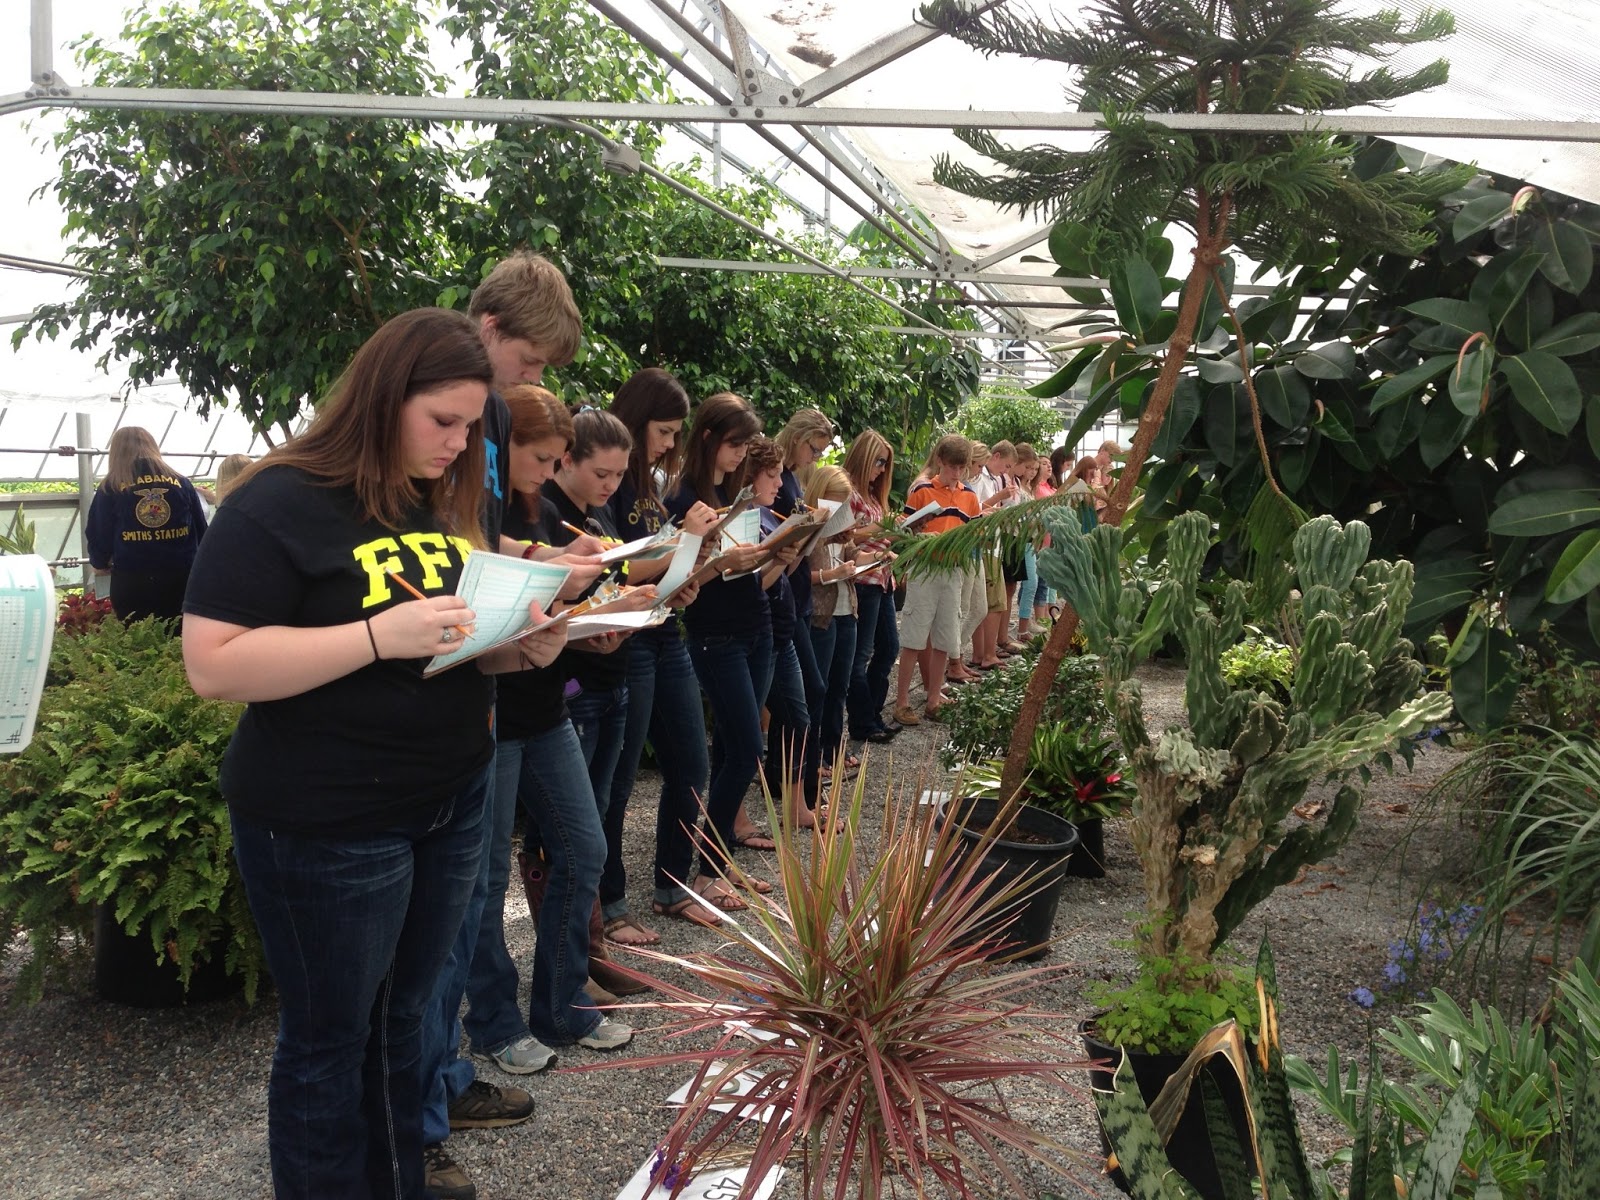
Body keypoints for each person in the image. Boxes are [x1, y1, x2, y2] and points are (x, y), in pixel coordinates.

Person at [180, 308, 569, 1200]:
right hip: (328, 820)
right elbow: (213, 665)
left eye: (472, 425)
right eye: (443, 421)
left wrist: (518, 646)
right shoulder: (276, 500)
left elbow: (441, 638)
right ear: (384, 395)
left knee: (404, 1026)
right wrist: (374, 636)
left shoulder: (431, 494)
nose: (459, 441)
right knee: (329, 1041)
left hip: (449, 798)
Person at [421, 250, 592, 1200]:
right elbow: (437, 542)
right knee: (451, 903)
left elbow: (473, 535)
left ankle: (442, 1083)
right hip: (447, 694)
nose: (533, 383)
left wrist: (534, 556)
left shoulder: (482, 414)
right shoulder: (447, 407)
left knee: (467, 889)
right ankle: (429, 1099)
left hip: (476, 691)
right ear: (490, 332)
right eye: (529, 362)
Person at [478, 386, 634, 1073]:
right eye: (541, 458)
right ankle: (494, 1019)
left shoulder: (539, 511)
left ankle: (564, 1000)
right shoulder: (475, 513)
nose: (548, 472)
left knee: (585, 846)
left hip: (545, 707)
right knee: (483, 881)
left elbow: (556, 609)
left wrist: (600, 621)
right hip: (492, 713)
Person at [605, 368, 722, 935]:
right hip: (629, 640)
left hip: (663, 630)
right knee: (619, 779)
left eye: (677, 433)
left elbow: (651, 563)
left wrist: (685, 576)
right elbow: (611, 567)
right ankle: (609, 908)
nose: (671, 443)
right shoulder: (609, 478)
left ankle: (672, 885)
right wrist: (686, 544)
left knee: (691, 762)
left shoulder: (649, 480)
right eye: (664, 430)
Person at [542, 408, 654, 948]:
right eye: (602, 474)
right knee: (574, 829)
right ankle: (584, 945)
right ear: (567, 459)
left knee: (607, 804)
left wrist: (638, 611)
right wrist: (606, 619)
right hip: (574, 686)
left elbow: (607, 591)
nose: (611, 486)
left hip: (612, 673)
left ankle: (600, 926)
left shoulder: (595, 512)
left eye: (618, 475)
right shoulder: (549, 514)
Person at [664, 393, 774, 911]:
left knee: (735, 746)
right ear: (707, 438)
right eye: (735, 445)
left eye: (746, 446)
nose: (740, 455)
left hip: (751, 622)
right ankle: (704, 869)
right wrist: (721, 560)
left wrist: (767, 552)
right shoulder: (683, 498)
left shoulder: (729, 490)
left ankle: (717, 863)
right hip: (713, 634)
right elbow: (679, 580)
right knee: (746, 748)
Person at [745, 436, 813, 828]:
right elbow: (753, 586)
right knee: (746, 732)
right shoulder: (746, 521)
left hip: (781, 630)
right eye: (771, 476)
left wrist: (797, 547)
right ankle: (736, 817)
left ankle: (794, 807)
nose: (779, 484)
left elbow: (781, 575)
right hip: (762, 631)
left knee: (797, 718)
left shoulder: (770, 515)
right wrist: (782, 557)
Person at [893, 435, 979, 725]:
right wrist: (920, 533)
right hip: (925, 569)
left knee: (945, 634)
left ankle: (933, 699)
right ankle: (902, 701)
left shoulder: (969, 495)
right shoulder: (922, 490)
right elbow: (904, 531)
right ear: (940, 461)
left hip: (953, 571)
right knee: (914, 636)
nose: (957, 474)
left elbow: (975, 532)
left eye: (962, 468)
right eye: (953, 467)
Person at [86, 426, 207, 623]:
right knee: (178, 639)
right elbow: (202, 531)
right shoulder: (182, 483)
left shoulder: (112, 486)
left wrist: (99, 563)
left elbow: (99, 532)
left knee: (137, 643)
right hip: (181, 579)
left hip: (133, 582)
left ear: (116, 452)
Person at [842, 430, 900, 746]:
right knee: (860, 656)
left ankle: (872, 716)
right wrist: (881, 529)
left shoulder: (874, 493)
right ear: (864, 457)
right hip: (864, 579)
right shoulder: (848, 491)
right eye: (879, 462)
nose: (881, 470)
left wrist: (893, 538)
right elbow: (843, 538)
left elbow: (875, 536)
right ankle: (863, 723)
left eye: (885, 464)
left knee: (889, 647)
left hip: (882, 577)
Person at [803, 465, 860, 779]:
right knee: (818, 687)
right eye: (835, 500)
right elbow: (798, 576)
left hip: (845, 608)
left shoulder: (843, 523)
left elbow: (852, 555)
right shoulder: (809, 521)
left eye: (843, 501)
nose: (840, 507)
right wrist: (832, 573)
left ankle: (833, 749)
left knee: (840, 685)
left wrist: (870, 559)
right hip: (821, 614)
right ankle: (812, 758)